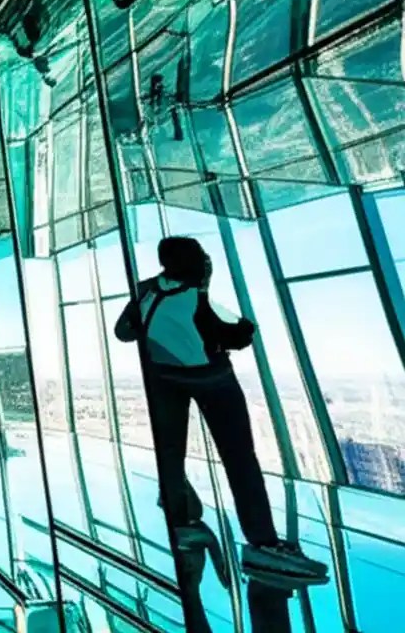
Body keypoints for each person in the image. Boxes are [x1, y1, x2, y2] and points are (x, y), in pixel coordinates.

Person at [114, 236, 327, 581]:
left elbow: (123, 332)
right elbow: (238, 337)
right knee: (240, 459)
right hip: (213, 381)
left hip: (163, 378)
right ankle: (263, 543)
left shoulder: (146, 290)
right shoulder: (198, 295)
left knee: (171, 452)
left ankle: (180, 520)